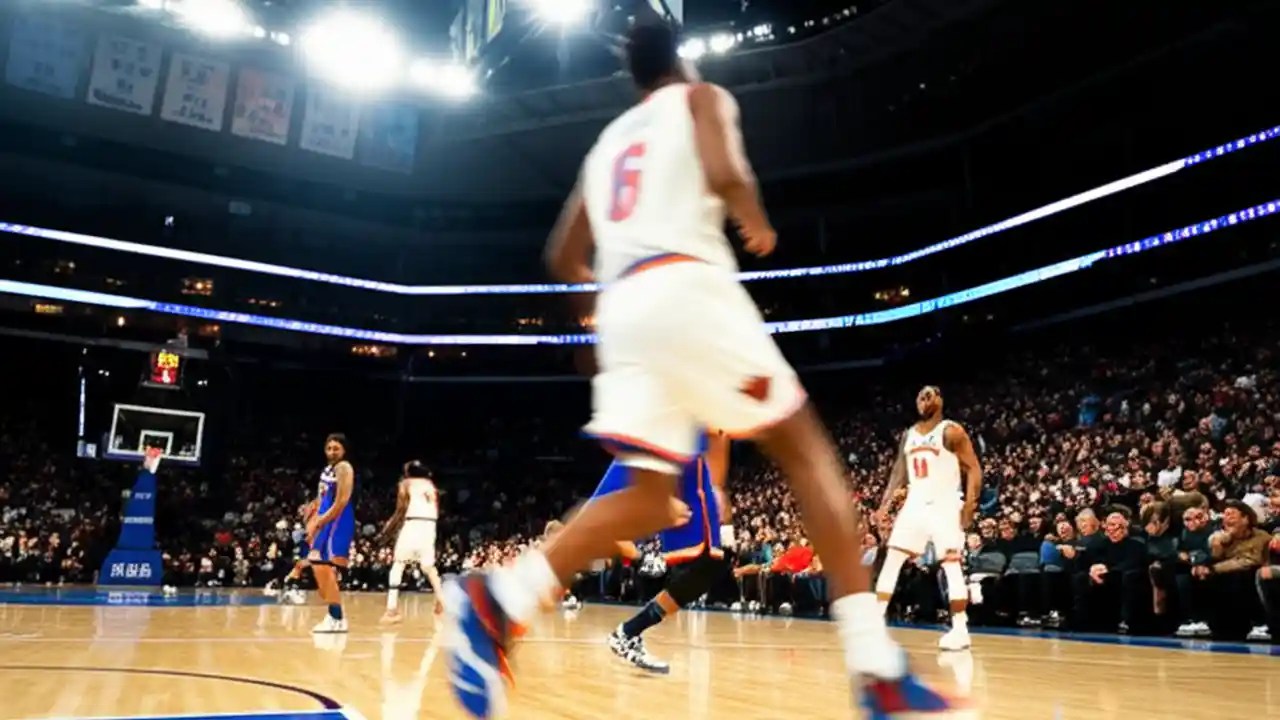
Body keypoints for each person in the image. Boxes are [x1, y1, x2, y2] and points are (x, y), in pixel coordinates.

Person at [442, 21, 955, 720]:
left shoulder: (608, 144)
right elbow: (723, 170)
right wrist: (752, 215)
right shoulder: (700, 99)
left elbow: (565, 256)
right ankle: (876, 668)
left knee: (651, 498)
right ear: (679, 62)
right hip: (686, 285)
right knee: (805, 452)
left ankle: (500, 598)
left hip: (626, 312)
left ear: (632, 77)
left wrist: (598, 325)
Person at [596, 429, 732, 673]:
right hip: (659, 450)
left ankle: (628, 632)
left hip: (679, 460)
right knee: (594, 517)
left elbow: (719, 432)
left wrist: (717, 487)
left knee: (709, 565)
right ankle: (627, 632)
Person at [874, 386, 983, 651]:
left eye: (929, 395)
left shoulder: (950, 431)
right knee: (892, 559)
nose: (923, 400)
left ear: (941, 400)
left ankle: (960, 629)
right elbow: (899, 473)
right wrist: (884, 505)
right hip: (915, 504)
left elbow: (974, 469)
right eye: (919, 396)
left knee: (951, 564)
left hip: (944, 503)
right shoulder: (908, 435)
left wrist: (970, 506)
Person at [379, 461, 446, 624]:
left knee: (399, 564)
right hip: (430, 525)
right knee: (428, 566)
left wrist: (388, 529)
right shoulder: (431, 485)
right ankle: (442, 602)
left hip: (413, 523)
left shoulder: (406, 483)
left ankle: (392, 610)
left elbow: (401, 508)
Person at [307, 433, 356, 634]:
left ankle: (336, 617)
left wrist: (320, 521)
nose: (332, 451)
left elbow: (341, 501)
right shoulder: (327, 470)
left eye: (336, 448)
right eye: (329, 448)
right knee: (318, 566)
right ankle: (334, 614)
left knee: (324, 566)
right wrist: (312, 513)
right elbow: (323, 498)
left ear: (344, 450)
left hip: (338, 520)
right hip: (325, 519)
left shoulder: (344, 468)